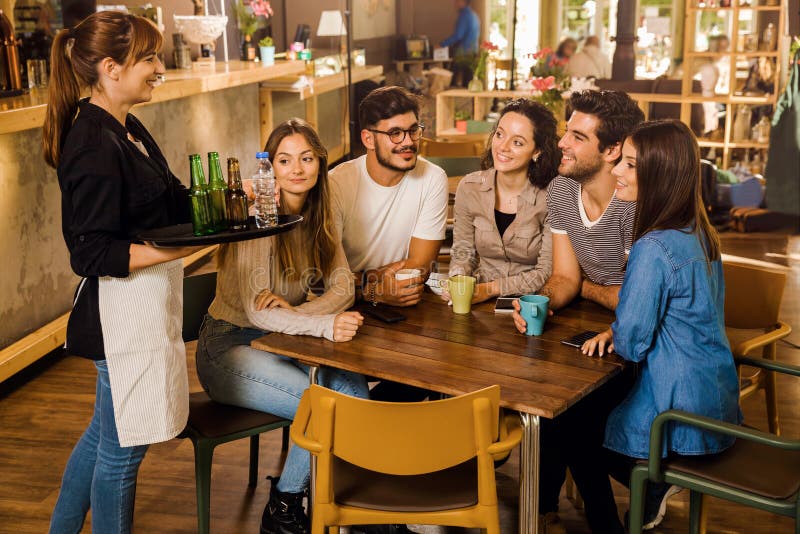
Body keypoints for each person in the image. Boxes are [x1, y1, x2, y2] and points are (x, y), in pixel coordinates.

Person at [43, 11, 203, 533]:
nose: (160, 67)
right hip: (119, 323)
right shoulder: (90, 142)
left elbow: (172, 197)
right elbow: (90, 254)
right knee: (123, 451)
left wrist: (229, 205)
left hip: (142, 311)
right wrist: (174, 250)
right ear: (111, 67)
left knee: (103, 435)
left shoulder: (125, 127)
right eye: (149, 58)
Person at [195, 118, 370, 534]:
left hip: (284, 338)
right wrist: (325, 324)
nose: (297, 169)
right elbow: (257, 315)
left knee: (354, 390)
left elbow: (344, 285)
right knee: (318, 403)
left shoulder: (320, 215)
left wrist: (301, 315)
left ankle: (353, 506)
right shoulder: (259, 220)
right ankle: (285, 507)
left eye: (306, 158)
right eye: (284, 160)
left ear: (320, 164)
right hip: (228, 347)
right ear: (269, 168)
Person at [581, 119, 741, 531]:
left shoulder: (653, 248)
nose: (616, 170)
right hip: (716, 404)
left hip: (677, 419)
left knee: (571, 427)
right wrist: (620, 328)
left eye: (630, 165)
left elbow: (633, 346)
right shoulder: (701, 233)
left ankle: (635, 499)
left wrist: (619, 329)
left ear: (660, 174)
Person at [510, 89, 644, 534]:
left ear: (612, 151)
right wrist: (539, 303)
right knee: (545, 392)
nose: (562, 143)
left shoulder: (635, 202)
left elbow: (637, 302)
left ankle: (583, 517)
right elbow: (566, 277)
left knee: (570, 413)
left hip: (639, 340)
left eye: (577, 136)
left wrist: (594, 291)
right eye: (567, 130)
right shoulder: (564, 190)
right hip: (591, 331)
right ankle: (545, 510)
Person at [329, 85, 448, 534]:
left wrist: (362, 279)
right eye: (394, 132)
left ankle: (398, 490)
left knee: (430, 377)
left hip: (408, 317)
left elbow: (417, 271)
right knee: (347, 388)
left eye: (413, 129)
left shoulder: (431, 178)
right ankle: (366, 494)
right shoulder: (339, 182)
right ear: (368, 138)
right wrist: (373, 287)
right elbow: (326, 276)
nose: (408, 141)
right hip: (343, 310)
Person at [446, 98, 559, 304]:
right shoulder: (469, 188)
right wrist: (458, 278)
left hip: (531, 303)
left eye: (517, 142)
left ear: (537, 151)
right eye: (499, 134)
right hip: (476, 298)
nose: (502, 147)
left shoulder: (551, 197)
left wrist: (489, 290)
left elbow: (546, 271)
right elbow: (463, 249)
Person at [440, 0, 481, 86]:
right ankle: (470, 99)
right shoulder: (474, 15)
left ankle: (447, 98)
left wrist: (442, 44)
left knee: (452, 79)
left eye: (457, 1)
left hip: (463, 52)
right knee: (468, 80)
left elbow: (458, 35)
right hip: (472, 51)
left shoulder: (464, 15)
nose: (455, 3)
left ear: (463, 2)